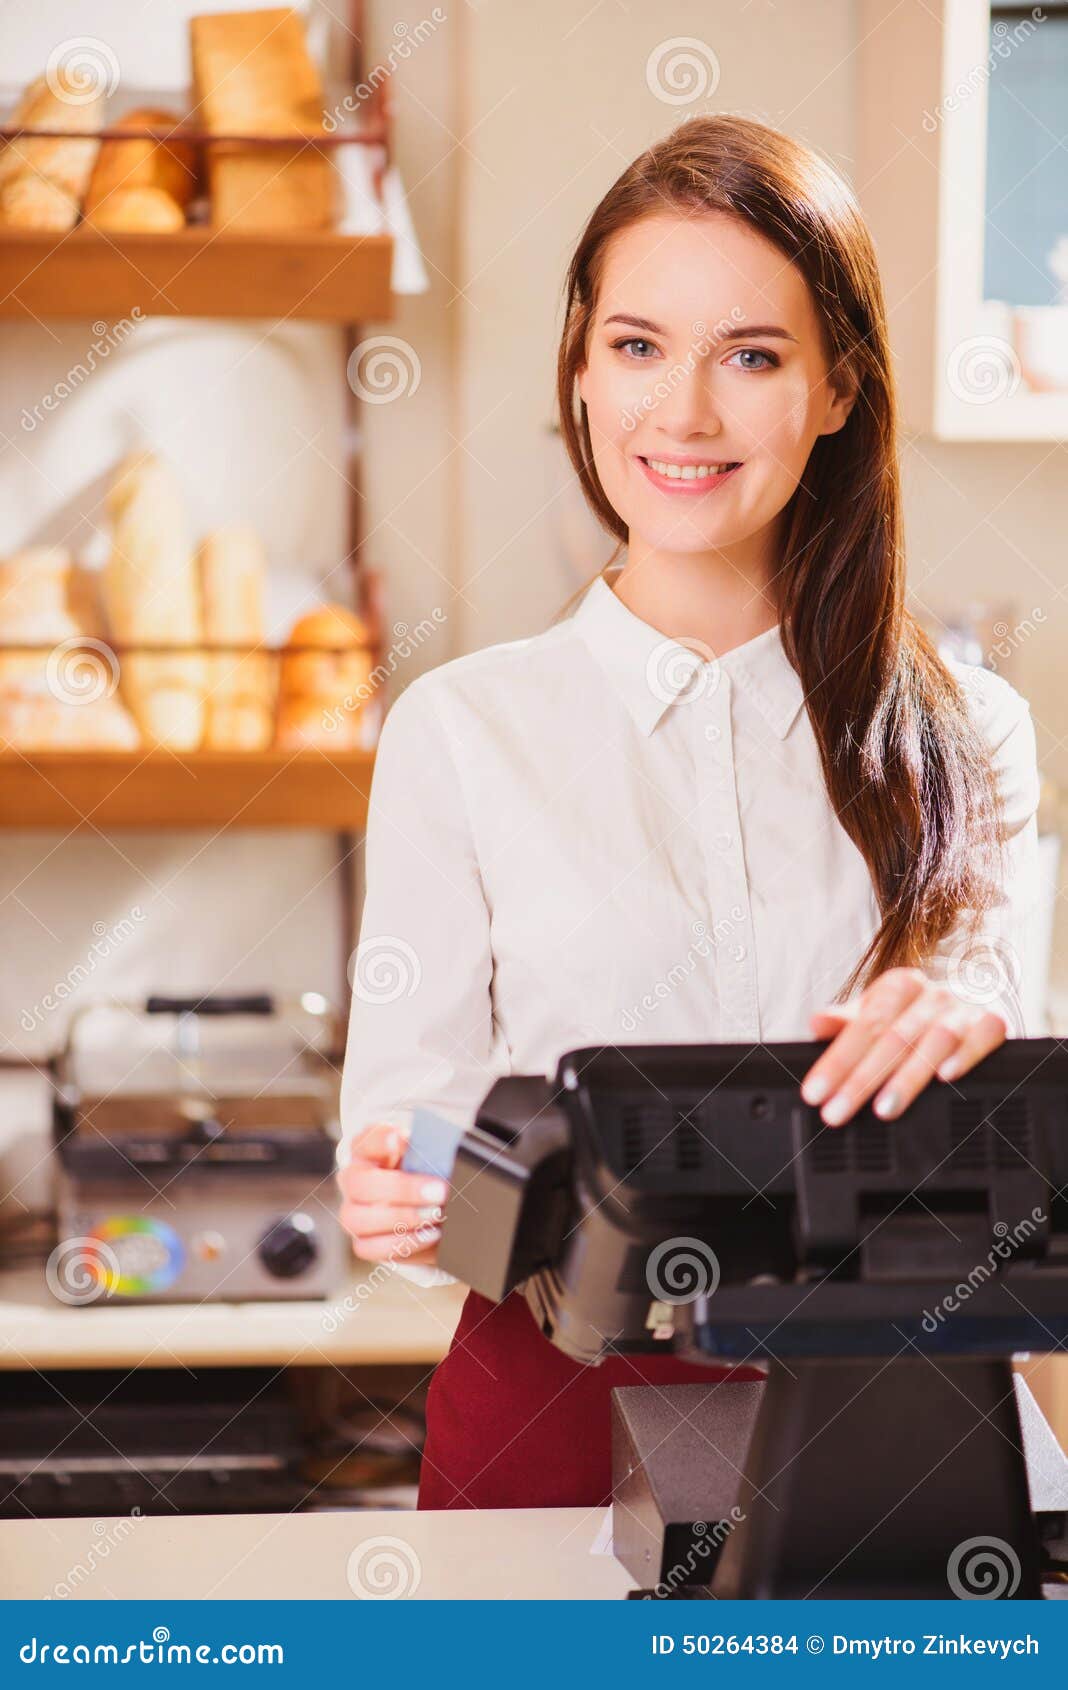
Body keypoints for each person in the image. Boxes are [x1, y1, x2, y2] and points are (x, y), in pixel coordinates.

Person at [335, 115, 1042, 1512]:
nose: (686, 414)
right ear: (584, 375)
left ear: (839, 387)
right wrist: (404, 1191)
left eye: (754, 356)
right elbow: (409, 1126)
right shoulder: (463, 732)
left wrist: (995, 1061)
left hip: (888, 1412)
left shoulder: (970, 735)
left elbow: (1019, 1178)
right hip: (553, 1408)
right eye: (638, 346)